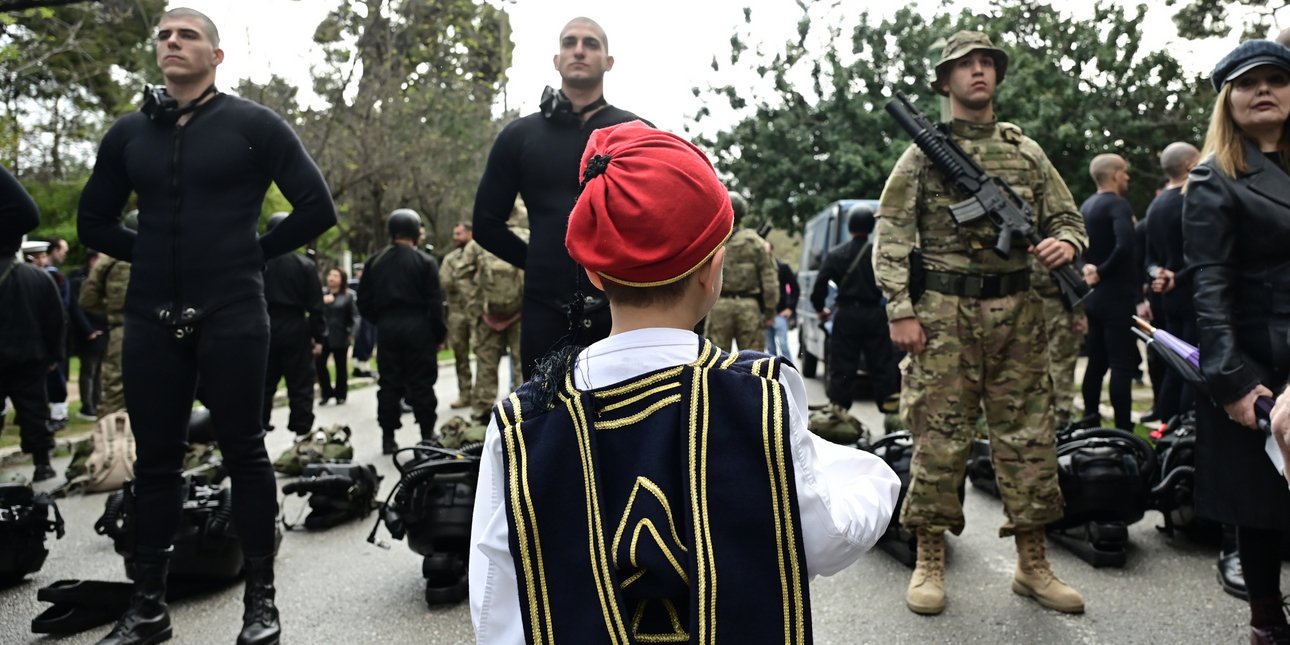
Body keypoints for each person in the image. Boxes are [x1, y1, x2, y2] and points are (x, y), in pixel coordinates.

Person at [469, 120, 899, 644]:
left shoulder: (522, 423)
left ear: (595, 274)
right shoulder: (761, 397)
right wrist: (877, 479)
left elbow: (497, 602)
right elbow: (826, 536)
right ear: (712, 271)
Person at [77, 8, 337, 644]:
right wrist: (157, 254)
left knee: (244, 450)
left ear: (216, 55)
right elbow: (94, 223)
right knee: (156, 462)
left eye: (187, 34)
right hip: (149, 313)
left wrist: (249, 253)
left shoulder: (253, 124)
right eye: (164, 35)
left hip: (232, 308)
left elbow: (316, 207)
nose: (171, 41)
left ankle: (260, 604)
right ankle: (147, 606)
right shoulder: (129, 133)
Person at [873, 30, 1088, 616]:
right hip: (943, 317)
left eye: (987, 62)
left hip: (1018, 314)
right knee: (938, 440)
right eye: (965, 64)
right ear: (945, 81)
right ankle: (929, 559)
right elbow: (891, 236)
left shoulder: (1027, 152)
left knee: (1029, 440)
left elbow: (1068, 219)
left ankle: (1032, 563)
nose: (978, 71)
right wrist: (900, 309)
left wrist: (1066, 246)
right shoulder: (922, 155)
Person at [1182, 40, 1290, 644]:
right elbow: (1209, 286)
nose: (1264, 90)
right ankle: (1267, 624)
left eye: (1277, 78)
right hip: (1258, 361)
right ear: (1229, 100)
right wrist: (1233, 380)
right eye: (1248, 83)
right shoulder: (1213, 176)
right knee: (1261, 507)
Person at [472, 16, 646, 380]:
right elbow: (485, 224)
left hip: (623, 309)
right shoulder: (519, 136)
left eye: (591, 43)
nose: (579, 50)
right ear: (556, 59)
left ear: (608, 62)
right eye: (570, 42)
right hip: (544, 310)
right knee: (542, 412)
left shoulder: (635, 133)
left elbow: (658, 218)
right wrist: (539, 263)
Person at [357, 208, 447, 455]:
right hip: (418, 327)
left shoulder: (375, 262)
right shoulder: (425, 262)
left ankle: (388, 437)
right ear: (415, 232)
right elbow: (435, 303)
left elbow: (363, 301)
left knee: (389, 382)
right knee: (422, 382)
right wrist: (438, 334)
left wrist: (380, 320)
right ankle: (427, 434)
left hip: (387, 327)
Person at [0, 165, 62, 483]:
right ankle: (42, 463)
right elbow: (55, 320)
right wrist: (53, 356)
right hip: (30, 358)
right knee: (34, 411)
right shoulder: (37, 278)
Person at [812, 203, 901, 415]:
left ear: (850, 226)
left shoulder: (836, 254)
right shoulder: (879, 255)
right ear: (871, 227)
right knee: (882, 364)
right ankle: (890, 413)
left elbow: (819, 286)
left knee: (842, 365)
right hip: (875, 315)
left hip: (846, 315)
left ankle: (838, 412)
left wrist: (820, 309)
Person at [1078, 153, 1138, 431]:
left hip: (1093, 297)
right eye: (1124, 172)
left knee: (1096, 363)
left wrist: (1088, 270)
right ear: (1114, 175)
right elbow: (1125, 244)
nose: (1127, 177)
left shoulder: (1086, 206)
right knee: (1121, 365)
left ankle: (1090, 418)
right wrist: (1102, 270)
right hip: (1117, 295)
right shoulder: (1118, 205)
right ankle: (1124, 429)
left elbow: (1078, 246)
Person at [1145, 142, 1202, 424]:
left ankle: (1167, 423)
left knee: (1174, 362)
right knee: (1193, 362)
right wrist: (1176, 277)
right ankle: (1186, 424)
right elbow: (1202, 252)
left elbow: (1149, 258)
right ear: (1191, 165)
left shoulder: (1155, 206)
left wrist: (1159, 274)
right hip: (1192, 291)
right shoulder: (1194, 199)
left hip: (1167, 295)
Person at [261, 212, 326, 435]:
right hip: (295, 326)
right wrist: (319, 337)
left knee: (263, 382)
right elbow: (316, 306)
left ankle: (258, 426)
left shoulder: (258, 263)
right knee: (300, 383)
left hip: (263, 325)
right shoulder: (304, 265)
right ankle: (301, 429)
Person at [469, 211, 527, 423]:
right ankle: (523, 413)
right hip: (521, 314)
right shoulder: (526, 235)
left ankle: (481, 417)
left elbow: (460, 275)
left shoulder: (479, 241)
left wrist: (477, 307)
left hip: (488, 314)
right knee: (522, 363)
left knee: (486, 365)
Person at [705, 192, 778, 352]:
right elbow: (770, 280)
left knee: (715, 360)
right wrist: (770, 311)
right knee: (753, 360)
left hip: (719, 305)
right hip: (749, 308)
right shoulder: (756, 242)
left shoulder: (712, 239)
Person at [79, 211, 135, 417]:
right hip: (163, 331)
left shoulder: (109, 260)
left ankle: (110, 435)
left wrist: (111, 308)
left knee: (114, 392)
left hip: (122, 332)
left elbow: (87, 300)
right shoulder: (165, 251)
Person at [439, 221, 478, 408]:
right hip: (457, 313)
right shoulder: (450, 259)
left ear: (469, 234)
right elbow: (446, 282)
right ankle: (465, 393)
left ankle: (482, 394)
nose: (455, 237)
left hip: (478, 311)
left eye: (459, 233)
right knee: (460, 354)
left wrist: (462, 280)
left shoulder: (480, 253)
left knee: (484, 354)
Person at [67, 249, 108, 420]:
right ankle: (87, 405)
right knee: (89, 370)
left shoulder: (103, 278)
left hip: (104, 329)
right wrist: (88, 330)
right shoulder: (79, 280)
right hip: (89, 332)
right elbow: (76, 308)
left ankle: (97, 403)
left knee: (99, 372)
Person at [316, 267, 357, 406]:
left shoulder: (348, 296)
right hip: (323, 336)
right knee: (319, 364)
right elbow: (314, 311)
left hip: (340, 335)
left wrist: (351, 333)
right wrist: (322, 302)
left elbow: (355, 316)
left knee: (341, 366)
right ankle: (326, 392)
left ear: (342, 279)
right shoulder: (322, 294)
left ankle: (341, 394)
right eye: (330, 275)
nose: (331, 278)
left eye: (335, 275)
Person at [765, 240, 799, 359]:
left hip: (780, 313)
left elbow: (795, 288)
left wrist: (790, 308)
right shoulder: (760, 270)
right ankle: (772, 369)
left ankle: (789, 369)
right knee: (770, 348)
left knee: (783, 345)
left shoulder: (783, 268)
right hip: (766, 315)